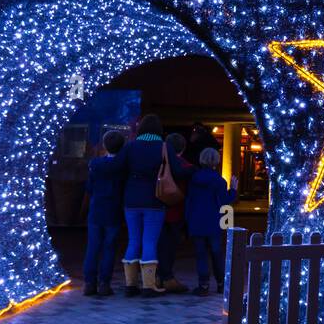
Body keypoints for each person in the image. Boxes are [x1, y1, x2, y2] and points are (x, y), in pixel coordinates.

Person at [102, 115, 176, 296]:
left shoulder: (130, 146)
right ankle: (149, 286)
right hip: (154, 200)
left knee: (133, 240)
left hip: (131, 199)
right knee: (149, 241)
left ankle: (130, 285)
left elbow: (114, 167)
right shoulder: (164, 147)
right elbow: (177, 170)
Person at [185, 147, 238, 296]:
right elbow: (225, 202)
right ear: (216, 161)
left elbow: (189, 200)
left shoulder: (194, 178)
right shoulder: (219, 181)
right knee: (216, 252)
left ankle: (203, 284)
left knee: (200, 253)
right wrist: (233, 190)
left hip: (196, 219)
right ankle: (221, 283)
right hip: (214, 221)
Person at [82, 130, 126, 296]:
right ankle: (104, 284)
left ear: (105, 145)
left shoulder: (95, 164)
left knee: (93, 246)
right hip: (113, 210)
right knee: (109, 247)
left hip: (96, 209)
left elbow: (89, 188)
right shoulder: (122, 166)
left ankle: (89, 283)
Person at [156, 132, 195, 292]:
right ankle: (167, 277)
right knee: (170, 246)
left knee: (158, 244)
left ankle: (157, 276)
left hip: (158, 209)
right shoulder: (187, 167)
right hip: (176, 210)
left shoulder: (160, 163)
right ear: (183, 148)